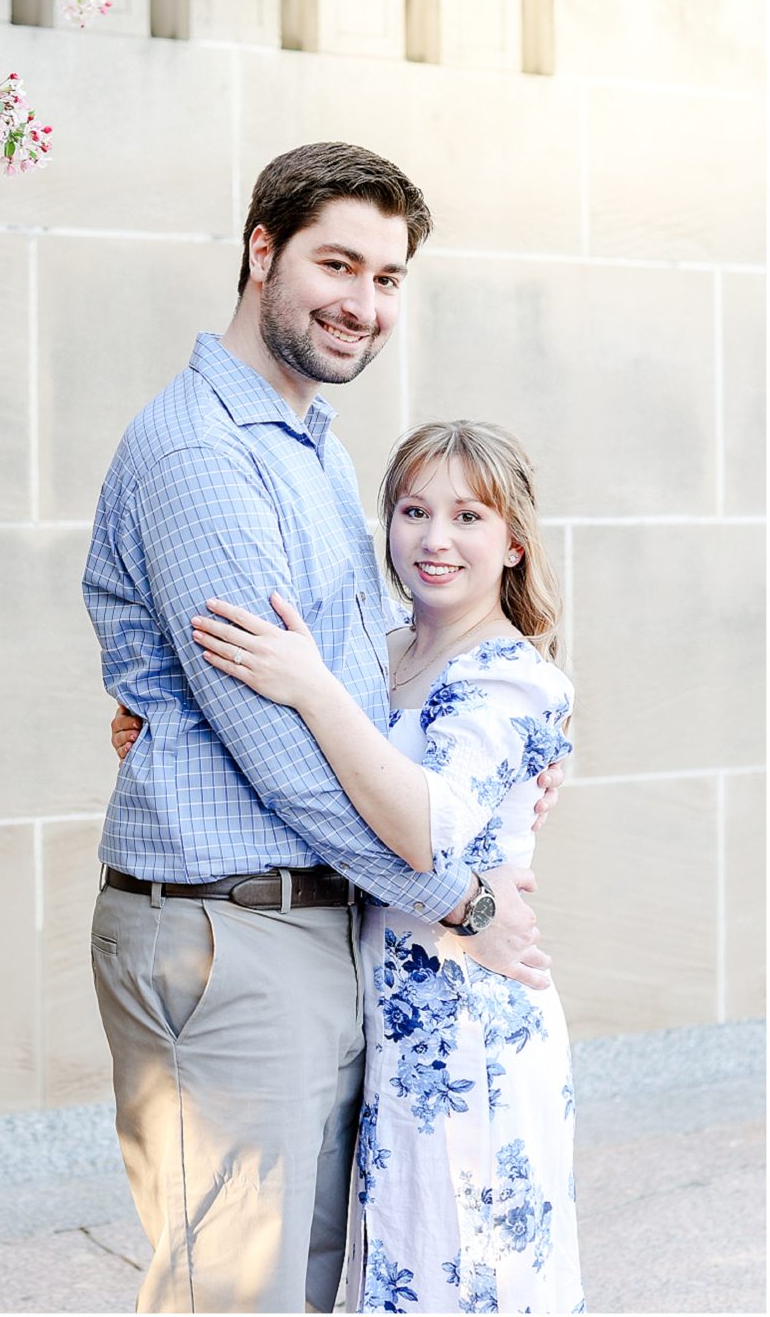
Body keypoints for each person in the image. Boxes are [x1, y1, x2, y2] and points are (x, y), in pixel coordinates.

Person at [82, 142, 561, 1315]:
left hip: (312, 927)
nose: (363, 302)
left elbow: (352, 682)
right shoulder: (206, 454)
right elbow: (287, 758)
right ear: (260, 253)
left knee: (294, 1286)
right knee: (229, 1293)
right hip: (232, 931)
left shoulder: (303, 442)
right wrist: (461, 893)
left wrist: (495, 780)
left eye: (388, 277)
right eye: (336, 264)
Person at [188, 420, 584, 1314]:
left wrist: (309, 685)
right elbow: (306, 774)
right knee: (402, 1257)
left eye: (467, 516)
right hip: (382, 1002)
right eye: (413, 511)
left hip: (466, 1017)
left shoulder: (511, 678)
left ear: (513, 542)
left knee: (464, 1268)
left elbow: (427, 831)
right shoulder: (384, 651)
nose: (434, 539)